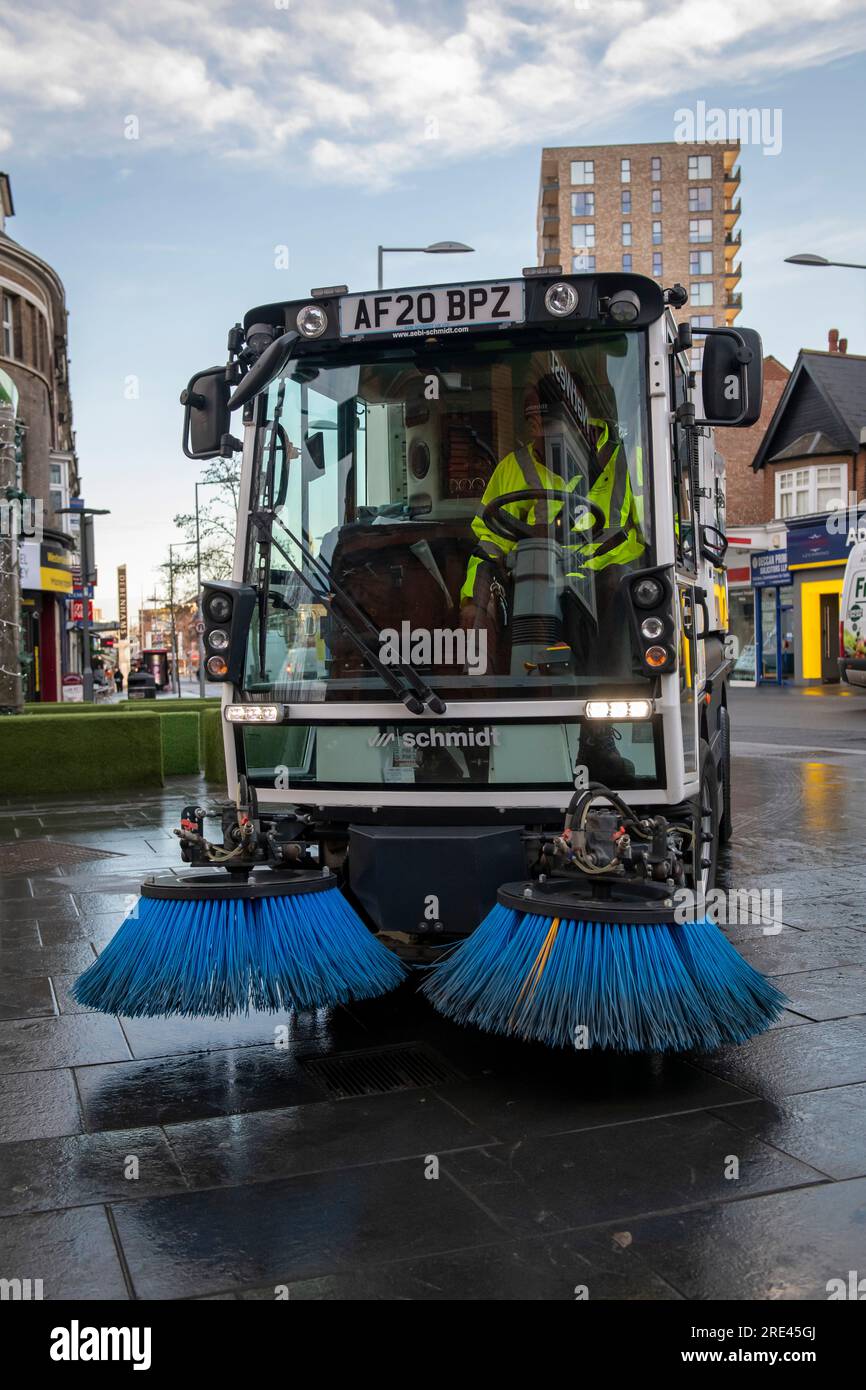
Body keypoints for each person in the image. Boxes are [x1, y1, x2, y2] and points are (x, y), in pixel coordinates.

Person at [460, 371, 647, 782]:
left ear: (576, 418)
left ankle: (599, 735)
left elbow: (632, 528)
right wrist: (475, 598)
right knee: (485, 613)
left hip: (602, 578)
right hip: (534, 578)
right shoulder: (514, 468)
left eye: (545, 422)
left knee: (612, 586)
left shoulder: (622, 457)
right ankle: (480, 735)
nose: (536, 431)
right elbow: (486, 540)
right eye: (530, 422)